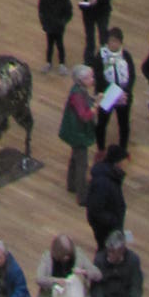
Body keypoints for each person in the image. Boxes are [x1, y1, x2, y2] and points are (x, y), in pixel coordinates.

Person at [59, 72, 98, 204]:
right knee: (82, 164)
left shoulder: (79, 90)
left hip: (75, 131)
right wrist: (95, 109)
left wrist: (95, 100)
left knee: (75, 158)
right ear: (81, 80)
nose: (92, 79)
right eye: (89, 77)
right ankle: (82, 196)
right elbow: (84, 115)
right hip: (78, 133)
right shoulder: (77, 95)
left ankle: (71, 184)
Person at [38, 0, 72, 70]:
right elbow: (41, 9)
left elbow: (68, 13)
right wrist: (43, 22)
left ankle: (62, 63)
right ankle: (48, 62)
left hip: (58, 27)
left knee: (60, 45)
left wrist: (62, 22)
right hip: (49, 26)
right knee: (49, 45)